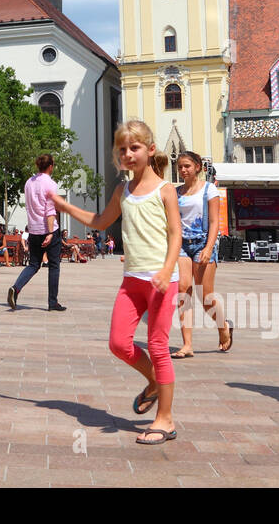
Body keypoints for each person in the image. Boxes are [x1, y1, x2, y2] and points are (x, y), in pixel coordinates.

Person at [53, 120, 183, 445]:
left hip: (161, 280)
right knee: (118, 343)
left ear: (150, 150)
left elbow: (175, 234)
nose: (127, 154)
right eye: (122, 149)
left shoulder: (165, 190)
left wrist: (167, 271)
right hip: (132, 280)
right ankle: (154, 381)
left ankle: (165, 420)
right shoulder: (122, 191)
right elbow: (100, 221)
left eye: (134, 147)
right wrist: (66, 206)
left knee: (157, 345)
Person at [172, 152, 233, 358]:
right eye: (179, 166)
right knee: (183, 290)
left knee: (205, 296)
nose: (182, 170)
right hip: (181, 244)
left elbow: (215, 222)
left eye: (187, 166)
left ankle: (222, 325)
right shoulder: (175, 192)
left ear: (198, 167)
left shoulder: (209, 189)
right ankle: (187, 344)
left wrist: (208, 248)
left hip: (202, 243)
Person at [7, 153, 66, 312]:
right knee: (54, 266)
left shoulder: (28, 183)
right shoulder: (51, 184)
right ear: (51, 166)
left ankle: (16, 288)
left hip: (33, 230)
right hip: (48, 229)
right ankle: (52, 302)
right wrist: (50, 233)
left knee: (34, 264)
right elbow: (50, 210)